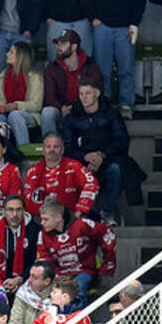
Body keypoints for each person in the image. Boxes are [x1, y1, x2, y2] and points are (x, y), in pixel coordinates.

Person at [92, 0, 148, 119]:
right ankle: (105, 106)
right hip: (103, 28)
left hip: (126, 28)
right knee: (103, 71)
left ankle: (126, 104)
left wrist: (134, 24)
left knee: (126, 69)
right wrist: (94, 18)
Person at [62, 76, 129, 223]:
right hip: (81, 161)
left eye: (88, 93)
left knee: (116, 170)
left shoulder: (111, 113)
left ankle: (109, 213)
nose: (84, 97)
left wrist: (101, 155)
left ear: (97, 93)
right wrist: (85, 157)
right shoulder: (72, 117)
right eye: (81, 94)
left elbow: (121, 140)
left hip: (108, 159)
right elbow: (67, 147)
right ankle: (82, 215)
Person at [37, 200, 116, 310]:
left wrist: (108, 265)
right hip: (60, 274)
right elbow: (44, 259)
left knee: (78, 288)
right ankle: (60, 322)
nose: (42, 223)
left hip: (84, 271)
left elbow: (107, 234)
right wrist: (53, 275)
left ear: (58, 218)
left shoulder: (82, 225)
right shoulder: (43, 234)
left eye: (46, 219)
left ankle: (75, 321)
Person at [41, 28, 102, 135]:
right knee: (47, 113)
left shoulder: (90, 66)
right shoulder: (52, 68)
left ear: (74, 47)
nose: (58, 47)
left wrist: (77, 107)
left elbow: (97, 91)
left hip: (84, 109)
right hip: (62, 110)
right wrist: (61, 108)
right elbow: (50, 97)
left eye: (63, 44)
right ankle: (51, 145)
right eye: (58, 43)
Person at [23, 133, 98, 219]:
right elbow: (29, 201)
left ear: (62, 150)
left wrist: (79, 211)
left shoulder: (74, 166)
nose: (52, 150)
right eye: (48, 147)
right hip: (42, 220)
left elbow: (92, 184)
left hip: (71, 218)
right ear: (43, 150)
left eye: (56, 147)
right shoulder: (33, 171)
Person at [0, 194, 41, 291]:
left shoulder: (35, 230)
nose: (15, 214)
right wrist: (1, 282)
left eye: (18, 210)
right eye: (10, 210)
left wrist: (21, 279)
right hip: (0, 283)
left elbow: (37, 261)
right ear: (3, 212)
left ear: (24, 211)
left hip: (28, 281)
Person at [0, 41, 44, 147]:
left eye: (11, 52)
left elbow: (36, 104)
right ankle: (2, 154)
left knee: (15, 115)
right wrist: (2, 107)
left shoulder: (34, 77)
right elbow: (0, 100)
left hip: (29, 114)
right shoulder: (3, 75)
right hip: (6, 113)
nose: (7, 54)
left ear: (20, 57)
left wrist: (17, 105)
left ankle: (23, 151)